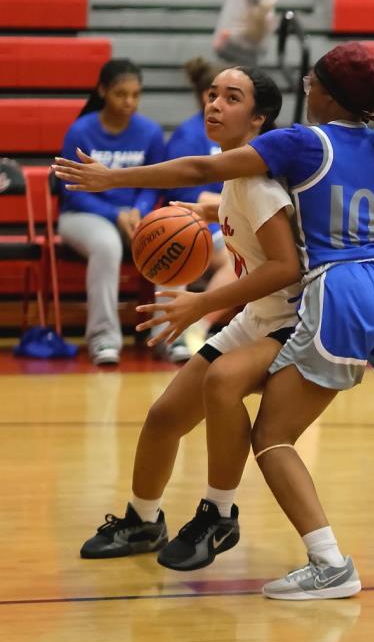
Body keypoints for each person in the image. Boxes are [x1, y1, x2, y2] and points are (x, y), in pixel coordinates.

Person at [57, 43, 374, 595]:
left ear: (327, 94)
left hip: (339, 292)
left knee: (274, 435)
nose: (306, 87)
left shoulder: (302, 142)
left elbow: (205, 167)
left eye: (312, 80)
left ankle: (317, 557)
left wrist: (113, 182)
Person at [75, 68, 303, 569]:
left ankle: (219, 513)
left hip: (290, 321)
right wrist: (207, 214)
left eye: (232, 98)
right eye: (213, 95)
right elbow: (214, 186)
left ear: (258, 118)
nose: (215, 104)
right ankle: (142, 520)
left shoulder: (257, 181)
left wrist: (201, 304)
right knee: (163, 418)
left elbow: (288, 267)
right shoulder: (233, 168)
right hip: (256, 318)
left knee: (221, 387)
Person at [56, 59, 166, 366]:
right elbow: (71, 189)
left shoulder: (151, 132)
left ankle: (169, 335)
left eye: (136, 94)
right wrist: (113, 214)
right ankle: (104, 338)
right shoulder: (80, 131)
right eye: (121, 94)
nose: (129, 102)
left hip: (131, 215)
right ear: (103, 91)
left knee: (172, 238)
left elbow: (153, 182)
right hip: (82, 214)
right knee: (107, 244)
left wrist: (139, 210)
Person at [164, 58, 238, 341]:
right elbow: (178, 192)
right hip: (194, 221)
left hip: (226, 224)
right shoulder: (188, 134)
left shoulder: (235, 133)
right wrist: (220, 199)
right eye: (214, 95)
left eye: (230, 96)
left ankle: (200, 327)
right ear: (203, 97)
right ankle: (173, 335)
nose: (221, 103)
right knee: (172, 248)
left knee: (241, 260)